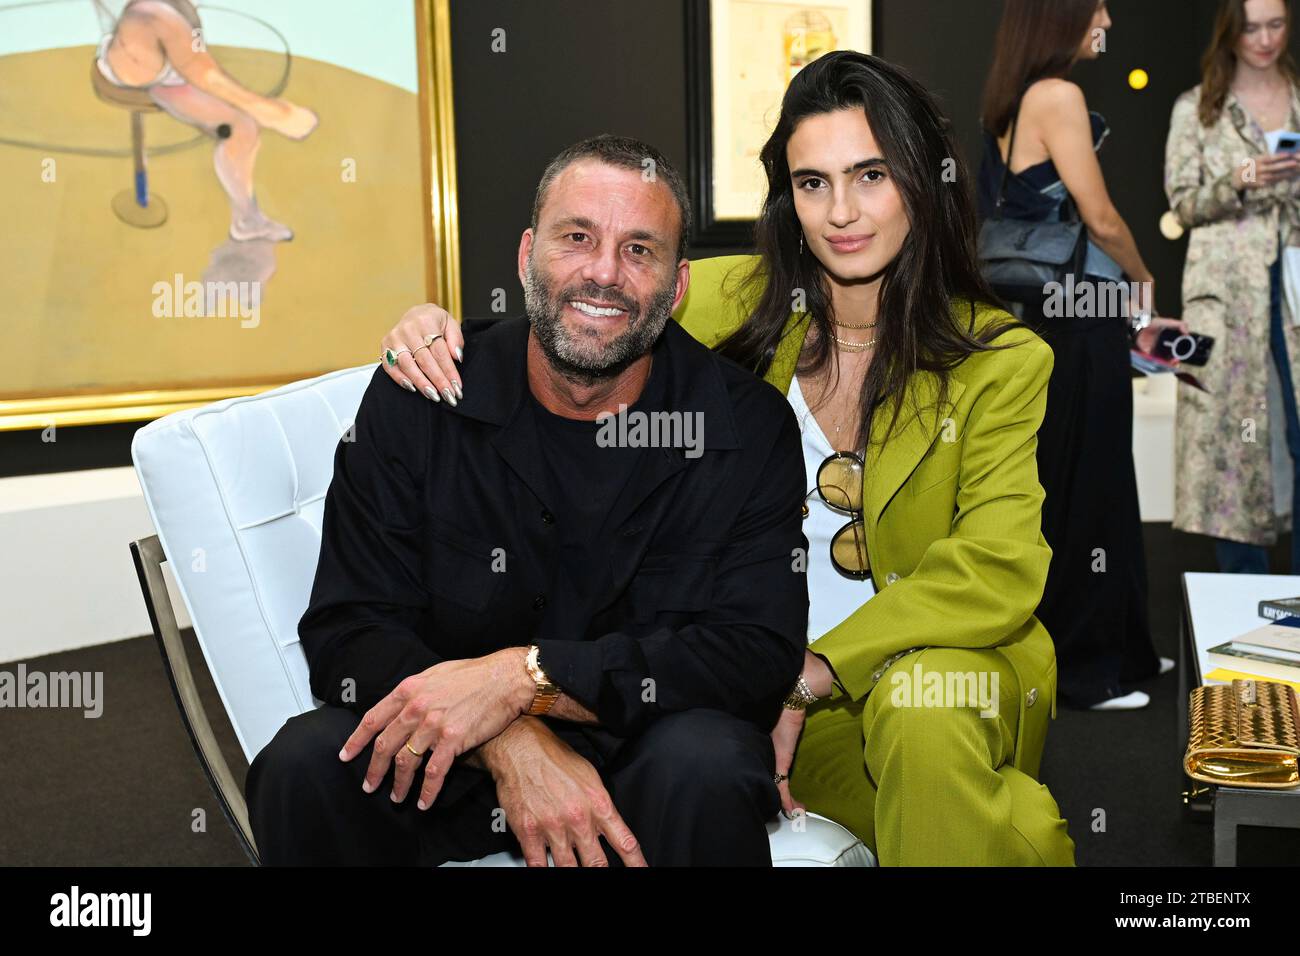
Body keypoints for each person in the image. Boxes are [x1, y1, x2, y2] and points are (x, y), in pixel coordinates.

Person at [379, 52, 1076, 866]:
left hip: (927, 663)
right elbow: (583, 307)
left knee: (923, 721)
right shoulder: (729, 300)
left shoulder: (1000, 359)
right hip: (746, 666)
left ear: (922, 182)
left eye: (871, 175)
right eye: (813, 182)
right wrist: (431, 326)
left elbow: (994, 567)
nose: (841, 212)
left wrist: (809, 673)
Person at [245, 135, 809, 866]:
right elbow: (348, 629)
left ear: (676, 289)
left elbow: (752, 655)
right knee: (305, 761)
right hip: (451, 758)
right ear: (525, 256)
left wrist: (523, 678)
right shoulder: (423, 395)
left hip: (645, 754)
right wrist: (508, 737)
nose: (603, 273)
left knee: (707, 761)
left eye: (640, 250)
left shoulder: (745, 426)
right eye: (576, 237)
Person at [978, 0, 1184, 711]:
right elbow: (1099, 216)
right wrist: (1145, 279)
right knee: (1091, 483)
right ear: (1062, 17)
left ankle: (1122, 653)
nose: (1108, 18)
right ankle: (1084, 671)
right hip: (1077, 312)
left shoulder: (1014, 99)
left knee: (1086, 478)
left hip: (1052, 314)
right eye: (1096, 6)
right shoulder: (1058, 95)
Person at [1166, 0, 1300, 572]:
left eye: (1276, 25)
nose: (1265, 39)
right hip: (1227, 290)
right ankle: (1243, 609)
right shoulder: (1198, 108)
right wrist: (1239, 179)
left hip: (1293, 280)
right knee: (1228, 446)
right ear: (1229, 30)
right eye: (1251, 27)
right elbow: (1182, 203)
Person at [95, 0, 318, 241]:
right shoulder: (153, 15)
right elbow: (201, 73)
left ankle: (247, 219)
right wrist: (276, 114)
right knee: (241, 127)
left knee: (242, 122)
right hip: (147, 70)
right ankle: (248, 221)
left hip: (164, 52)